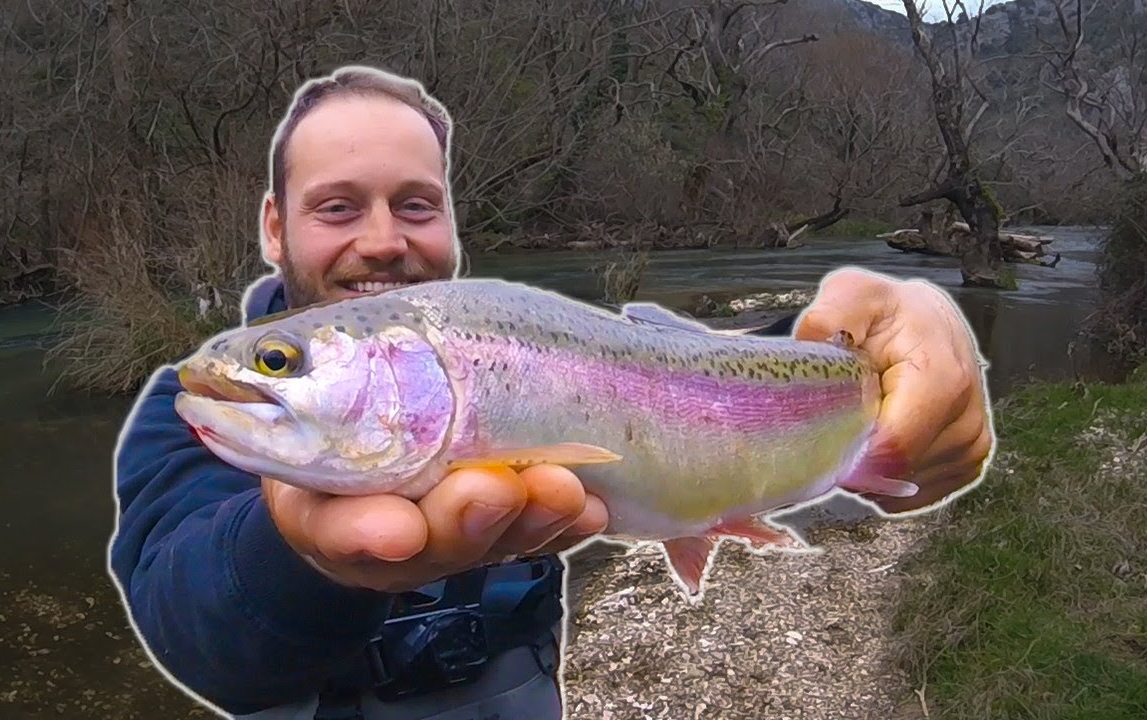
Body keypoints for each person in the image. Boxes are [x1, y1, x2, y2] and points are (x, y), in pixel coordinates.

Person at [107, 65, 996, 720]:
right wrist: (296, 552)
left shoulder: (539, 337)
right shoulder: (190, 415)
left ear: (452, 218)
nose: (382, 240)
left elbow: (699, 377)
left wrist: (899, 344)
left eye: (416, 205)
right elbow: (189, 620)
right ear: (275, 224)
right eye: (337, 207)